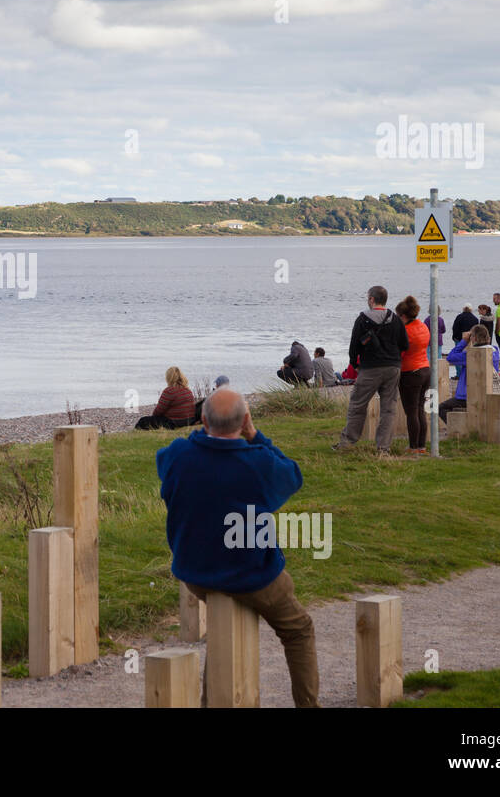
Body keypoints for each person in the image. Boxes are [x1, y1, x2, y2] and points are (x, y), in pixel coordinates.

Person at [157, 388, 318, 707]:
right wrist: (257, 436)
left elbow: (170, 456)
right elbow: (292, 475)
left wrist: (202, 437)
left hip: (196, 573)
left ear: (203, 419)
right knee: (299, 629)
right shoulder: (257, 462)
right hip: (253, 575)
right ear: (244, 420)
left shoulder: (179, 455)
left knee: (223, 633)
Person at [333, 285, 408, 454]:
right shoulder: (395, 319)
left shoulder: (362, 319)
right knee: (388, 408)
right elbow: (405, 344)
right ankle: (383, 447)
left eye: (368, 298)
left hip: (370, 368)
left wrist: (355, 364)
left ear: (372, 299)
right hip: (393, 367)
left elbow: (353, 348)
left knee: (358, 404)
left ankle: (348, 442)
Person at [439, 325, 499, 423]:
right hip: (489, 393)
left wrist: (464, 342)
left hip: (467, 396)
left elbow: (450, 358)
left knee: (441, 408)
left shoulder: (470, 355)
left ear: (473, 338)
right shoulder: (495, 351)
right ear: (488, 338)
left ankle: (457, 429)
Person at [396, 295, 431, 454]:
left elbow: (401, 352)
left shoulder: (405, 331)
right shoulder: (423, 326)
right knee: (420, 410)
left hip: (410, 373)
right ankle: (422, 446)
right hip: (425, 369)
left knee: (411, 412)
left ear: (403, 316)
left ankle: (413, 446)